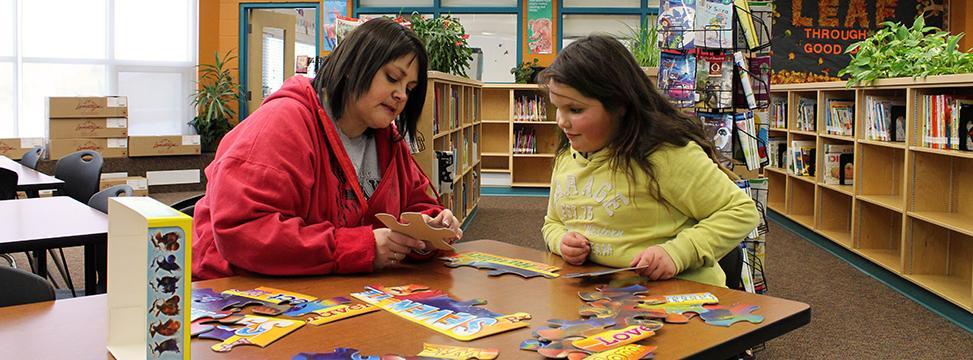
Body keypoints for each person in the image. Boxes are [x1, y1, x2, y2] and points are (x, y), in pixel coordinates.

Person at [192, 18, 461, 280]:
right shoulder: (283, 122)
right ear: (353, 67)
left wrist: (430, 228)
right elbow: (244, 231)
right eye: (392, 78)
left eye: (410, 89)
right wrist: (360, 247)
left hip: (335, 289)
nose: (401, 95)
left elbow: (416, 203)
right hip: (238, 289)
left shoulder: (388, 140)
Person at [540, 35, 759, 287]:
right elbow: (553, 222)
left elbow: (741, 212)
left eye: (575, 110)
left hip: (677, 295)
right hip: (602, 296)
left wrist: (677, 252)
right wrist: (561, 241)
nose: (561, 121)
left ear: (619, 104)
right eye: (557, 107)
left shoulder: (665, 155)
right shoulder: (567, 156)